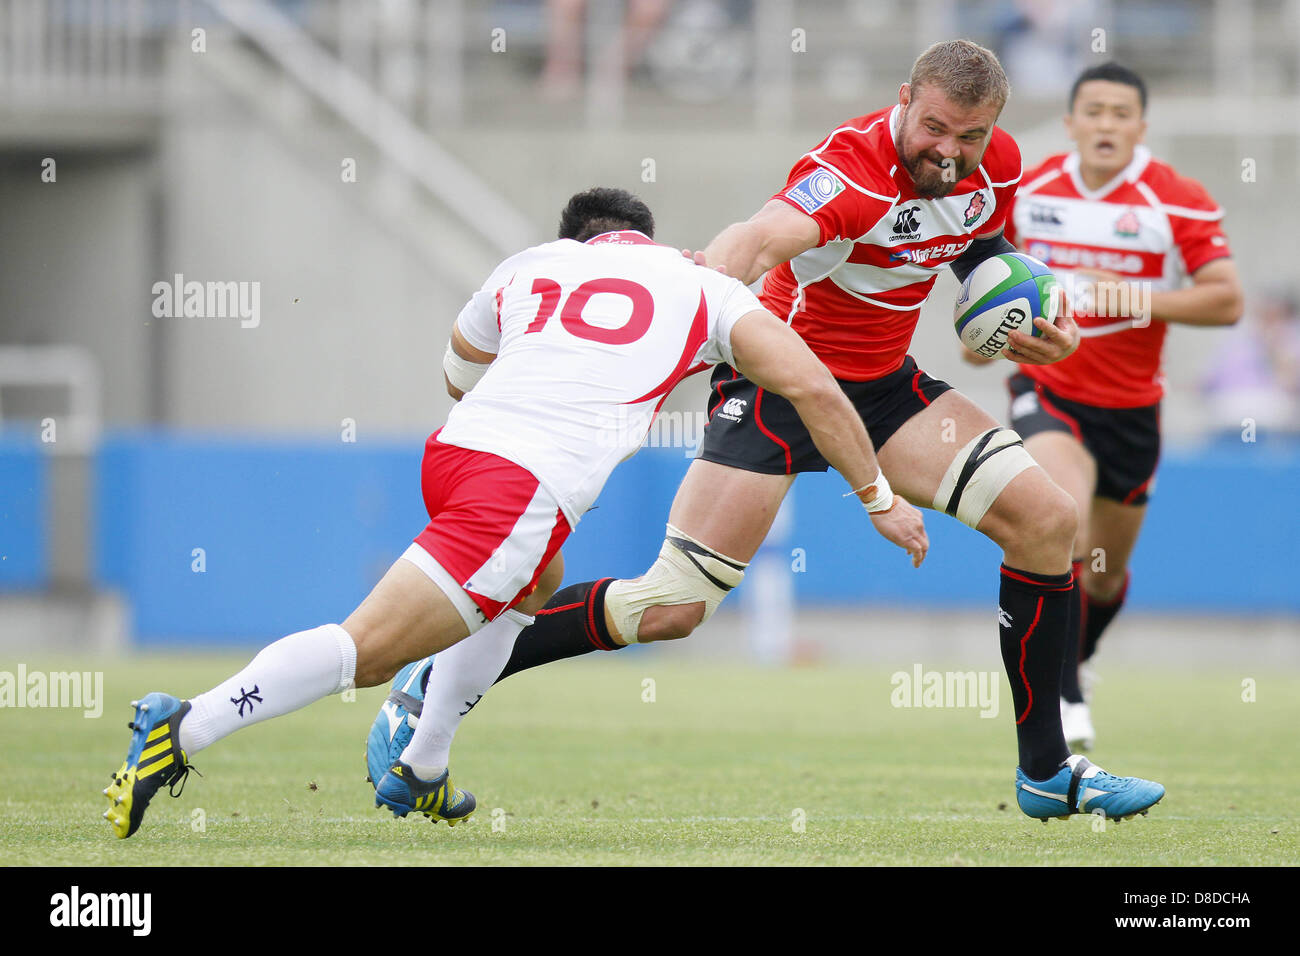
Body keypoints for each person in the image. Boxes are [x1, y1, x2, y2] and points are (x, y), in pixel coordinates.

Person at [373, 41, 1166, 822]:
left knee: (1048, 520)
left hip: (885, 393)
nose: (950, 152)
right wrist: (697, 286)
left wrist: (1032, 314)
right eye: (934, 129)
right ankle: (437, 679)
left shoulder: (996, 165)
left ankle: (1047, 771)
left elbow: (977, 245)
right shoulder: (847, 173)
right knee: (673, 607)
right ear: (903, 101)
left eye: (971, 135)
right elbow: (755, 239)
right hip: (776, 391)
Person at [103, 186, 930, 839]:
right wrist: (878, 498)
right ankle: (188, 726)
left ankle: (424, 767)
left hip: (456, 455)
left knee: (535, 584)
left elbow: (459, 368)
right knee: (370, 652)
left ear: (579, 241)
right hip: (521, 488)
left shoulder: (530, 265)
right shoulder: (704, 287)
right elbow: (815, 387)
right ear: (644, 239)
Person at [962, 63, 1243, 749]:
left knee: (1105, 573)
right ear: (1071, 122)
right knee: (1063, 526)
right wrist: (987, 339)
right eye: (1094, 111)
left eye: (1121, 113)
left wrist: (1134, 296)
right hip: (1049, 392)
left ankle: (1078, 658)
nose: (1106, 124)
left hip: (1132, 411)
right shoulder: (1028, 191)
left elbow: (1226, 299)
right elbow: (989, 282)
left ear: (1140, 127)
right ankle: (1064, 696)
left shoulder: (1175, 200)